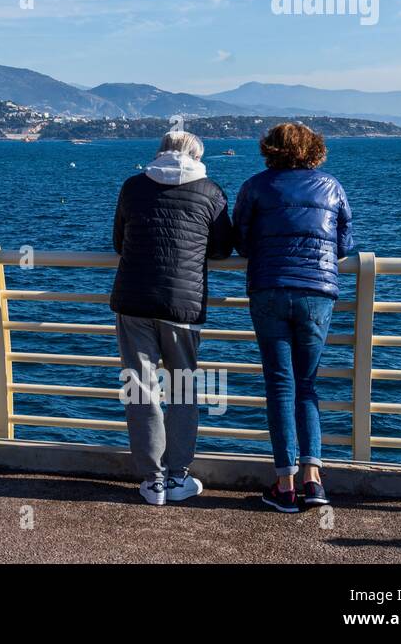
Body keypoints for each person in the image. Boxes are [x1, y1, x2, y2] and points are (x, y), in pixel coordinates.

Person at [233, 123, 354, 513]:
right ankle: (313, 481)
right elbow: (343, 243)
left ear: (269, 149)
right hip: (317, 293)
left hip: (269, 287)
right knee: (307, 385)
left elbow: (242, 241)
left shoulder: (255, 186)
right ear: (314, 149)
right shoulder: (332, 187)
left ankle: (284, 485)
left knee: (280, 387)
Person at [111, 131, 233, 506]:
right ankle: (178, 475)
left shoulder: (133, 186)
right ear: (198, 155)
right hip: (183, 306)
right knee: (182, 389)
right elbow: (223, 250)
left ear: (161, 150)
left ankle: (153, 481)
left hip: (134, 301)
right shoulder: (211, 191)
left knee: (141, 390)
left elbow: (119, 241)